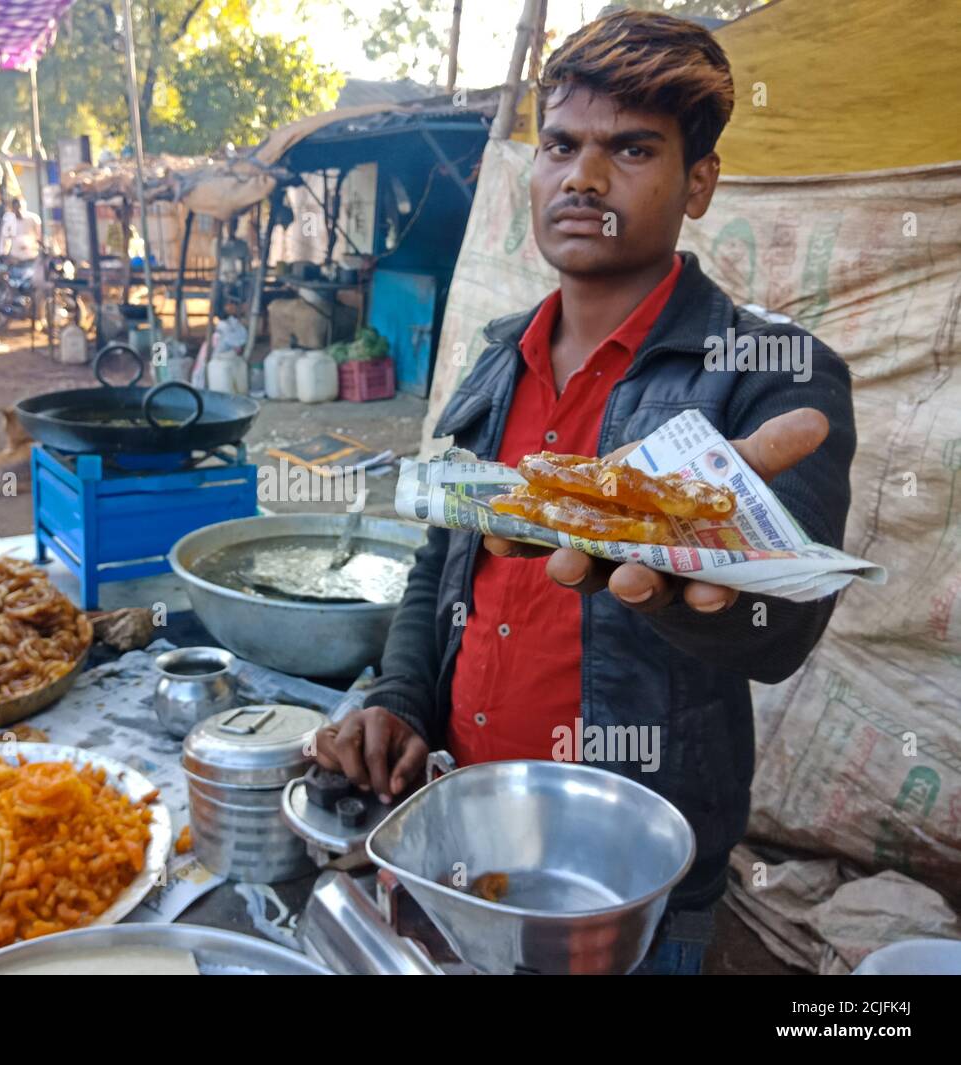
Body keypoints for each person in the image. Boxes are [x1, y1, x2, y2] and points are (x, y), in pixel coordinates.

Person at [312, 10, 855, 975]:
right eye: (561, 145)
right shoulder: (495, 359)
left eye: (632, 148)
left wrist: (695, 562)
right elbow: (447, 554)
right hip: (455, 836)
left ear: (700, 183)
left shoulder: (772, 376)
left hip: (627, 889)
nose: (584, 179)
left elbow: (780, 632)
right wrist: (400, 697)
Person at [0, 196, 42, 263]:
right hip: (15, 258)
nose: (19, 211)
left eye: (21, 208)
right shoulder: (9, 220)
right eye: (16, 208)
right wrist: (2, 254)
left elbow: (39, 237)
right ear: (13, 209)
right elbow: (3, 238)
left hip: (32, 257)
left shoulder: (33, 219)